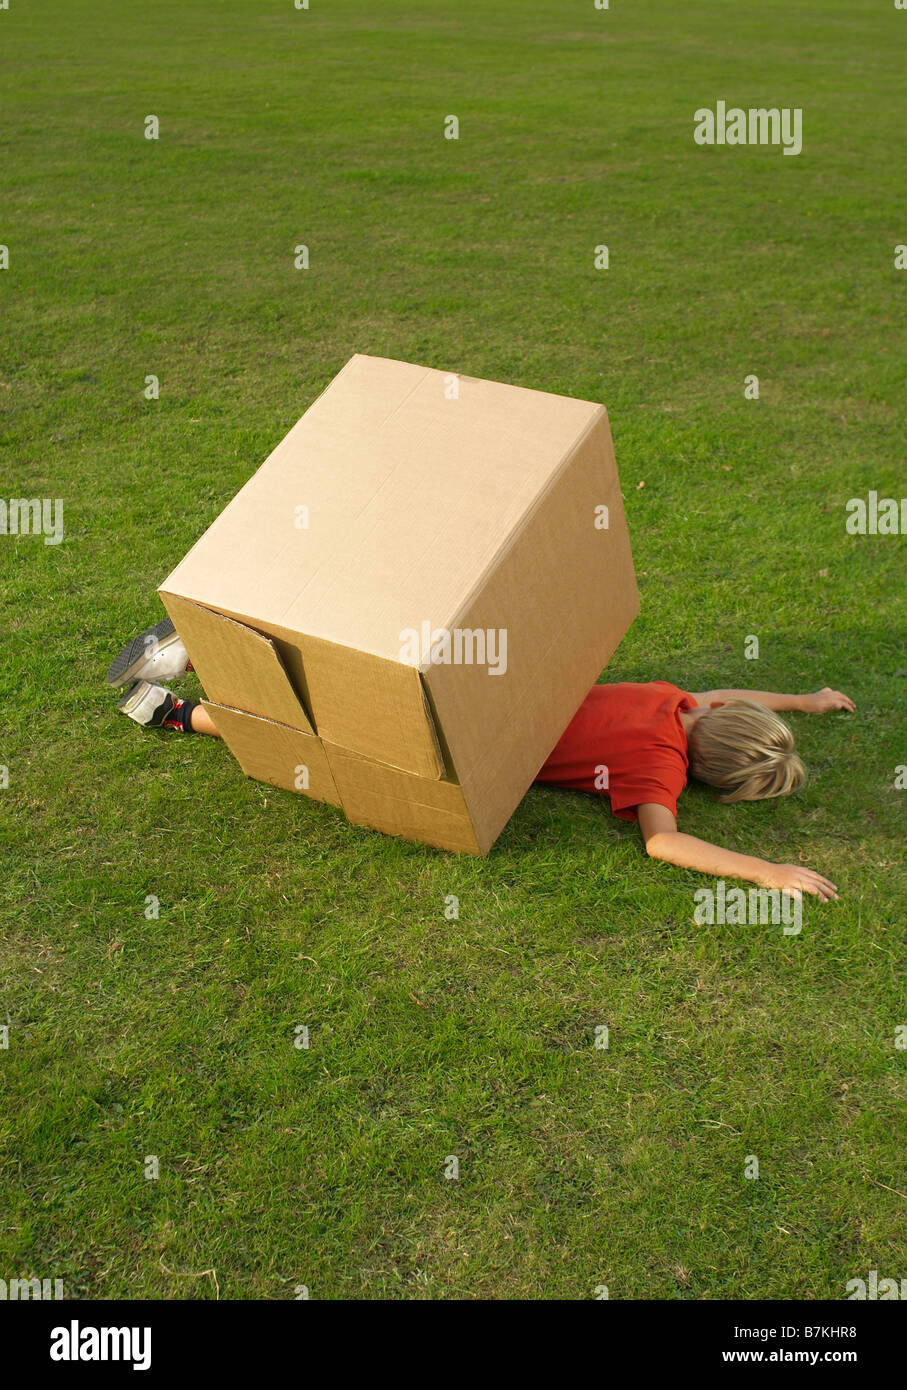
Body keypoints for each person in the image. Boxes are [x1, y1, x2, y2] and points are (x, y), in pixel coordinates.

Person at [108, 618, 855, 900]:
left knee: (349, 683)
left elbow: (723, 691)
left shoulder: (674, 700)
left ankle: (195, 666)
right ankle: (184, 712)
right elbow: (663, 841)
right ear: (709, 780)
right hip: (466, 740)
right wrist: (767, 871)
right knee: (337, 738)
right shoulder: (657, 768)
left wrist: (804, 700)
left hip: (483, 691)